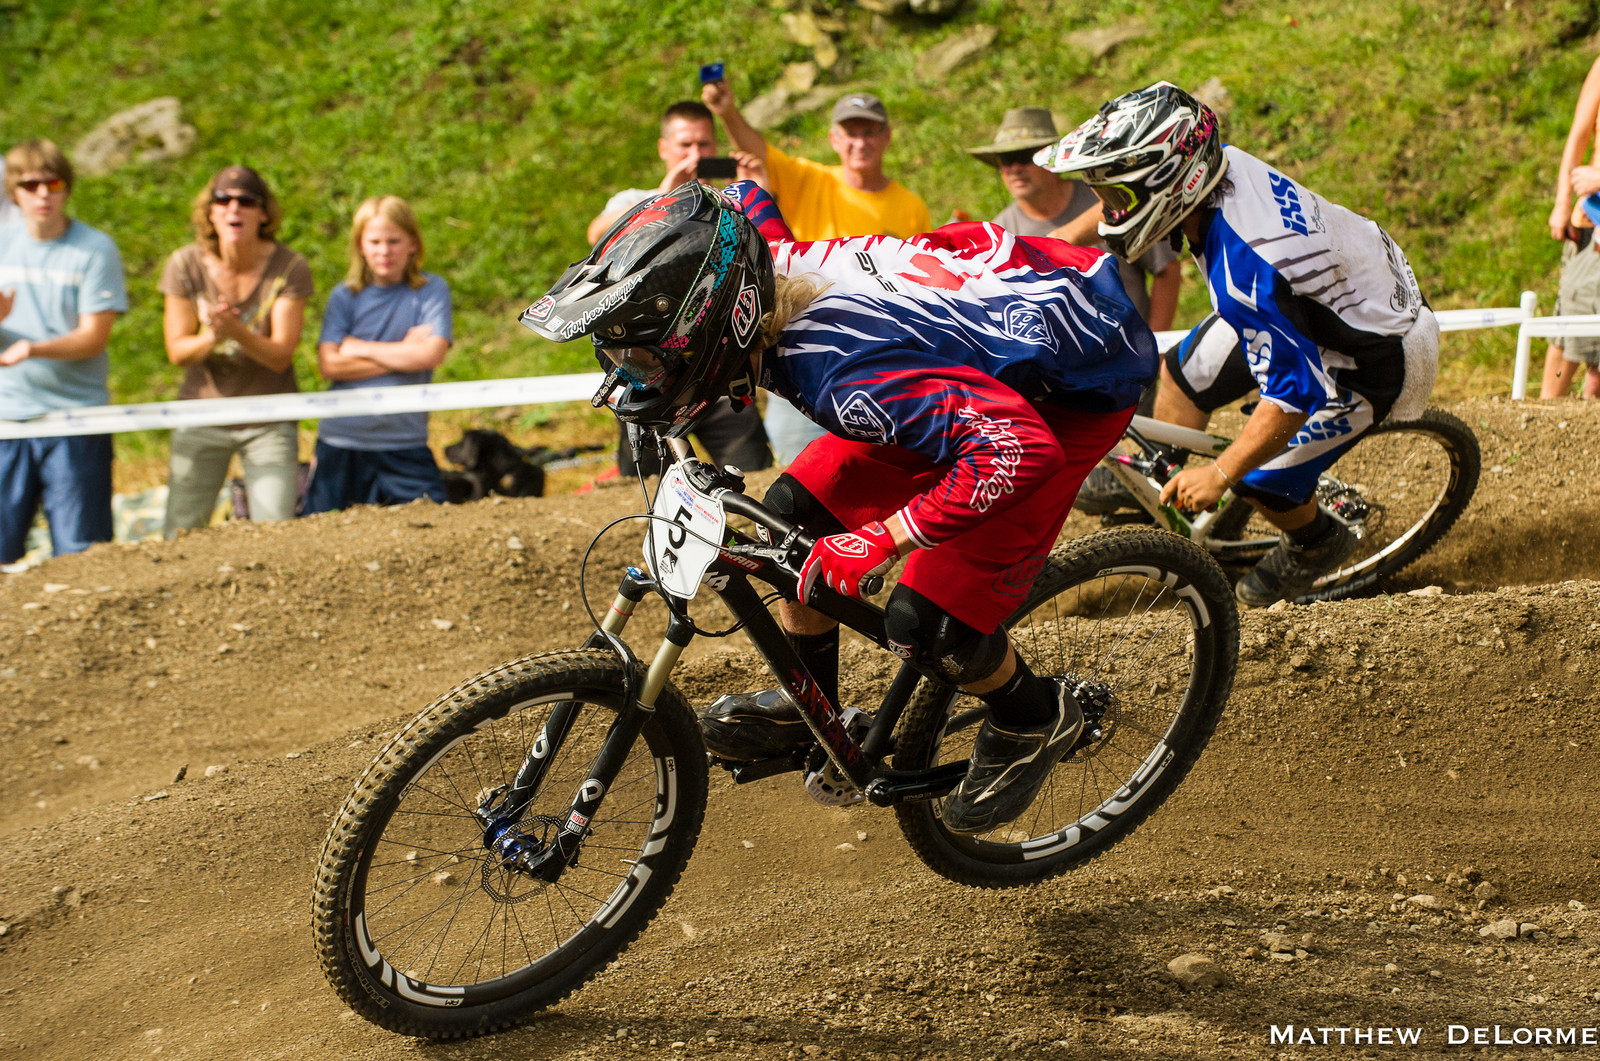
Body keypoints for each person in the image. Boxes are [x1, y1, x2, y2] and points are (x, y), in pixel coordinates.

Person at [521, 179, 1156, 834]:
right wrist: (662, 211)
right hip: (961, 362)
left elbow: (1017, 449)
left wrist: (885, 537)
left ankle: (1032, 715)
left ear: (712, 328)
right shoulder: (747, 261)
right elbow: (745, 192)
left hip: (1069, 388)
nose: (633, 371)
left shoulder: (840, 374)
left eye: (647, 357)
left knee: (930, 624)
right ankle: (812, 707)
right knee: (788, 525)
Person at [1038, 82, 1440, 608]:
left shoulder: (1247, 269)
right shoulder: (1211, 164)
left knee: (1260, 480)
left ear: (1174, 184)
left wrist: (1222, 475)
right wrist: (1055, 247)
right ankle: (1166, 478)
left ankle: (1317, 541)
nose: (1106, 208)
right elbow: (1133, 205)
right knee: (1182, 373)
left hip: (1375, 356)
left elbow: (1293, 398)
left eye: (1116, 197)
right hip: (1336, 294)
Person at [702, 77, 934, 462]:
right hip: (802, 350)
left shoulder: (911, 206)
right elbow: (755, 149)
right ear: (834, 139)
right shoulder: (809, 180)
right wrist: (726, 111)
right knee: (796, 466)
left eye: (870, 132)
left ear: (887, 137)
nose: (861, 142)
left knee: (877, 464)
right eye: (851, 133)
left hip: (880, 354)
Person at [584, 100, 772, 480]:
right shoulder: (634, 199)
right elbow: (596, 234)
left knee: (754, 475)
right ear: (663, 148)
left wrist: (761, 194)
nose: (695, 155)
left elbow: (772, 261)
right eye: (685, 145)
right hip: (652, 370)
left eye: (704, 145)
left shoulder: (732, 200)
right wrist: (663, 199)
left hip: (722, 367)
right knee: (646, 484)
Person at [159, 165, 311, 535]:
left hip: (268, 416)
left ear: (263, 213)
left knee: (276, 529)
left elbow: (280, 355)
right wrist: (214, 336)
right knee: (181, 530)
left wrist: (236, 333)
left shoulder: (288, 267)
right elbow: (178, 352)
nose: (233, 209)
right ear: (209, 212)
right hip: (201, 412)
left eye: (245, 201)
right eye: (222, 200)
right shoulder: (184, 264)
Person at [0, 140, 126, 569]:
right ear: (12, 190)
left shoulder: (95, 248)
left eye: (52, 183)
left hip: (75, 420)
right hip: (6, 422)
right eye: (30, 184)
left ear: (67, 188)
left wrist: (32, 348)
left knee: (82, 559)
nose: (42, 195)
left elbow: (94, 337)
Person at [968, 107, 1180, 330]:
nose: (1015, 169)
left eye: (1024, 156)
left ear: (1049, 159)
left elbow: (1165, 268)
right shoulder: (999, 235)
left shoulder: (1105, 201)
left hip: (1133, 352)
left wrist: (1156, 342)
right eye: (1006, 160)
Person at [303, 196, 452, 513]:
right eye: (375, 241)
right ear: (360, 245)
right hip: (342, 440)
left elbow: (430, 355)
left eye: (394, 241)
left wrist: (358, 348)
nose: (384, 251)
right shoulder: (344, 296)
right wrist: (404, 351)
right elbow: (329, 364)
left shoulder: (431, 290)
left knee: (435, 527)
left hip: (404, 440)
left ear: (412, 243)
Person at [1541, 55, 1600, 400]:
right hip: (1592, 223)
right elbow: (1578, 135)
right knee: (1567, 333)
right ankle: (1540, 418)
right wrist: (1562, 202)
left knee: (1595, 370)